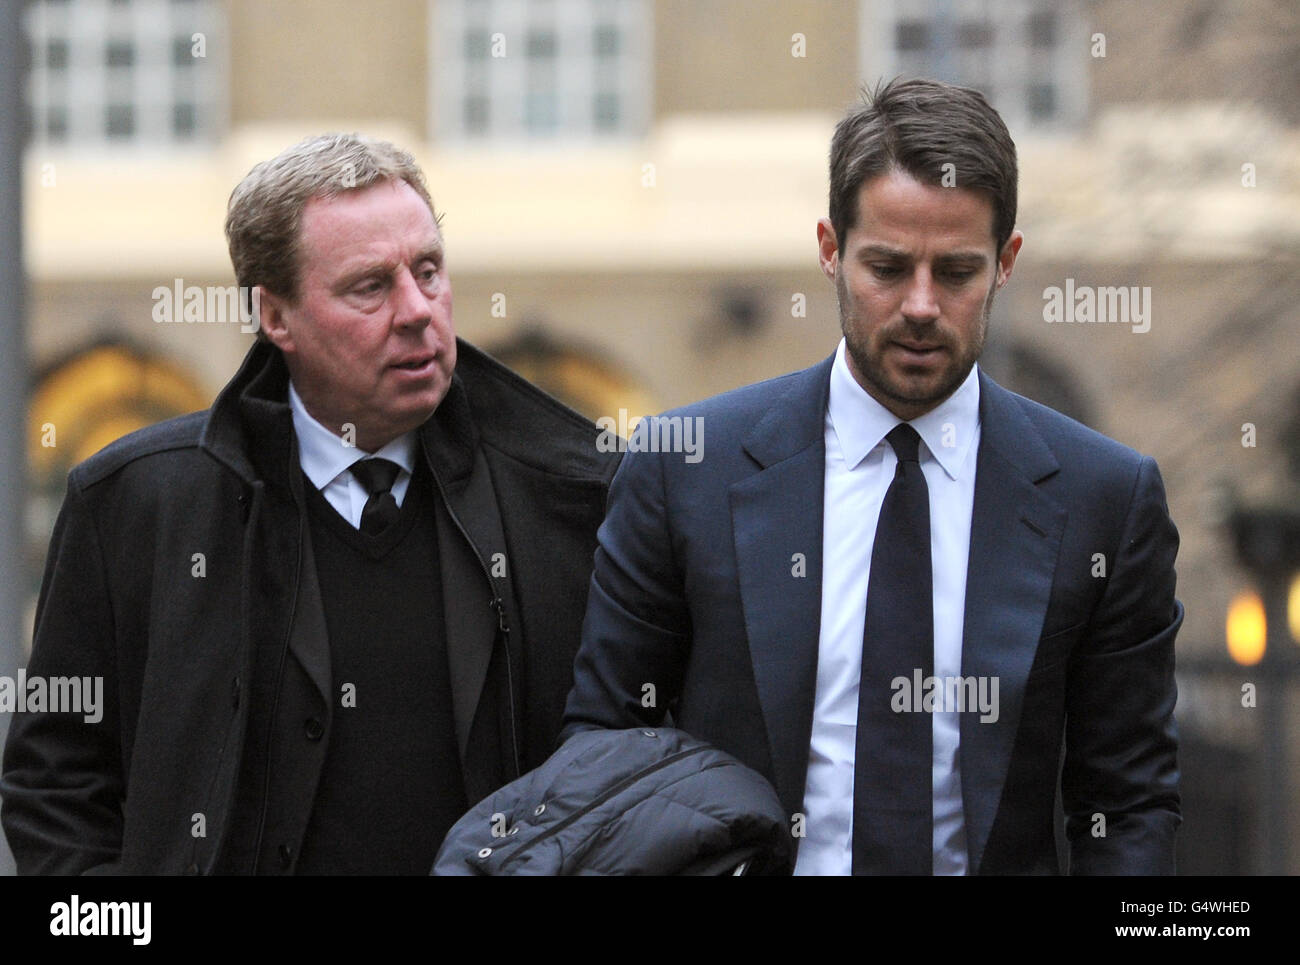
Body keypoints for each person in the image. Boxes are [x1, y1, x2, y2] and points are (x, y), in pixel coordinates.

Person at [561, 77, 1182, 875]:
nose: (920, 306)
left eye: (956, 272)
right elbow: (603, 756)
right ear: (830, 249)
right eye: (886, 267)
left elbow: (1127, 805)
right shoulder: (686, 469)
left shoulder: (1106, 498)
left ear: (1007, 262)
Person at [2, 133, 620, 874]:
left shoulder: (576, 494)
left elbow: (653, 764)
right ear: (276, 316)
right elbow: (55, 784)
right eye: (371, 286)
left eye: (428, 270)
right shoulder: (136, 504)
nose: (418, 310)